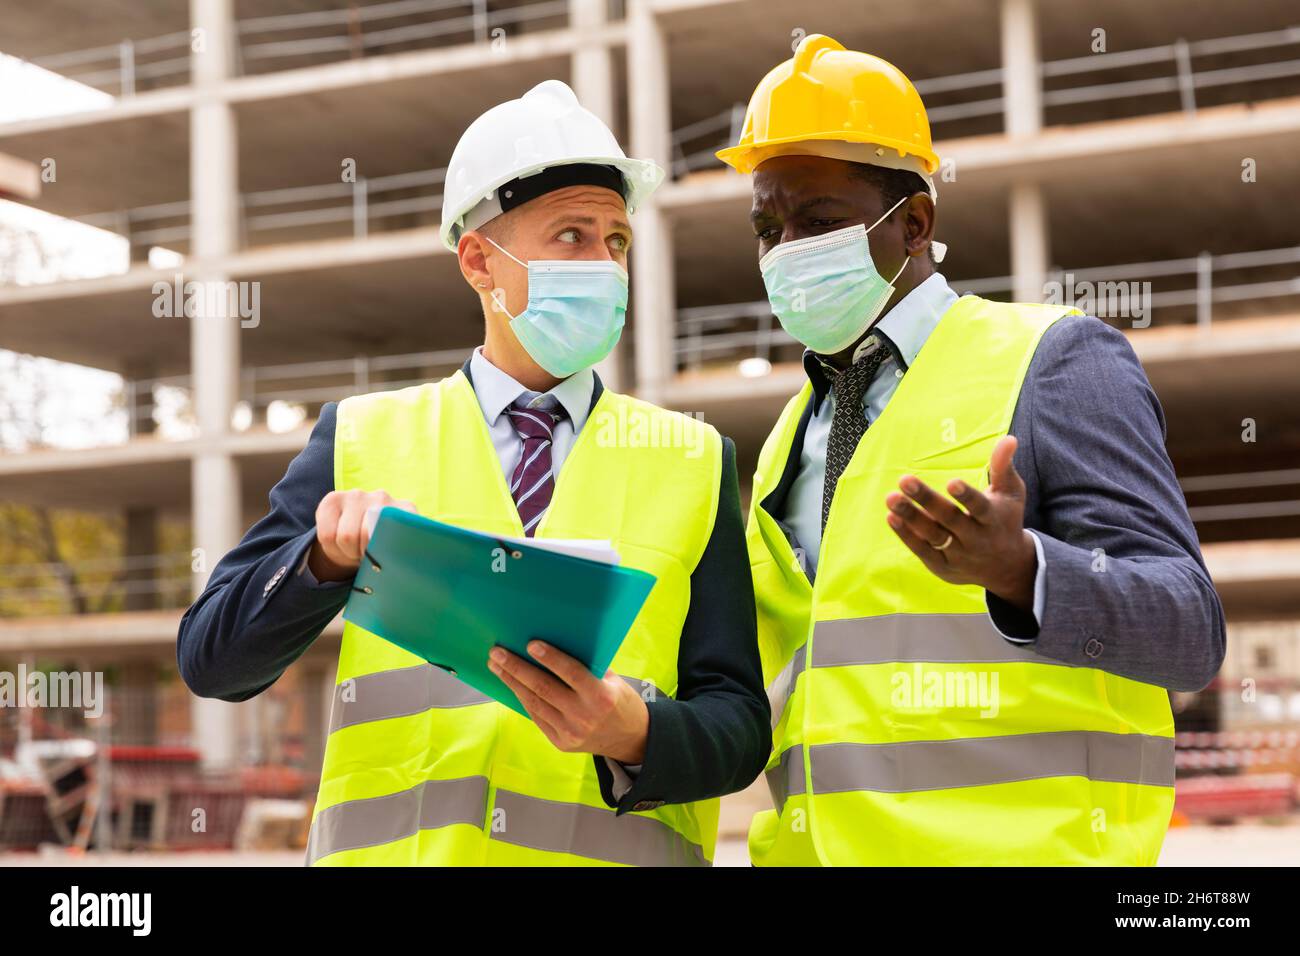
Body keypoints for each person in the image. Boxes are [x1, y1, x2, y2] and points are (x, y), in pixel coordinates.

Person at [178, 80, 769, 866]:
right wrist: (321, 563)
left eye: (616, 240)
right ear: (478, 261)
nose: (604, 264)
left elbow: (738, 726)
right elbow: (211, 662)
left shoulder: (695, 459)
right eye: (571, 236)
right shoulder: (358, 436)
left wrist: (637, 732)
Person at [716, 35, 1225, 865]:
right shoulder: (785, 443)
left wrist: (1024, 571)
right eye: (766, 228)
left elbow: (1189, 632)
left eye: (817, 221)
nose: (785, 254)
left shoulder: (1056, 359)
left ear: (915, 221)